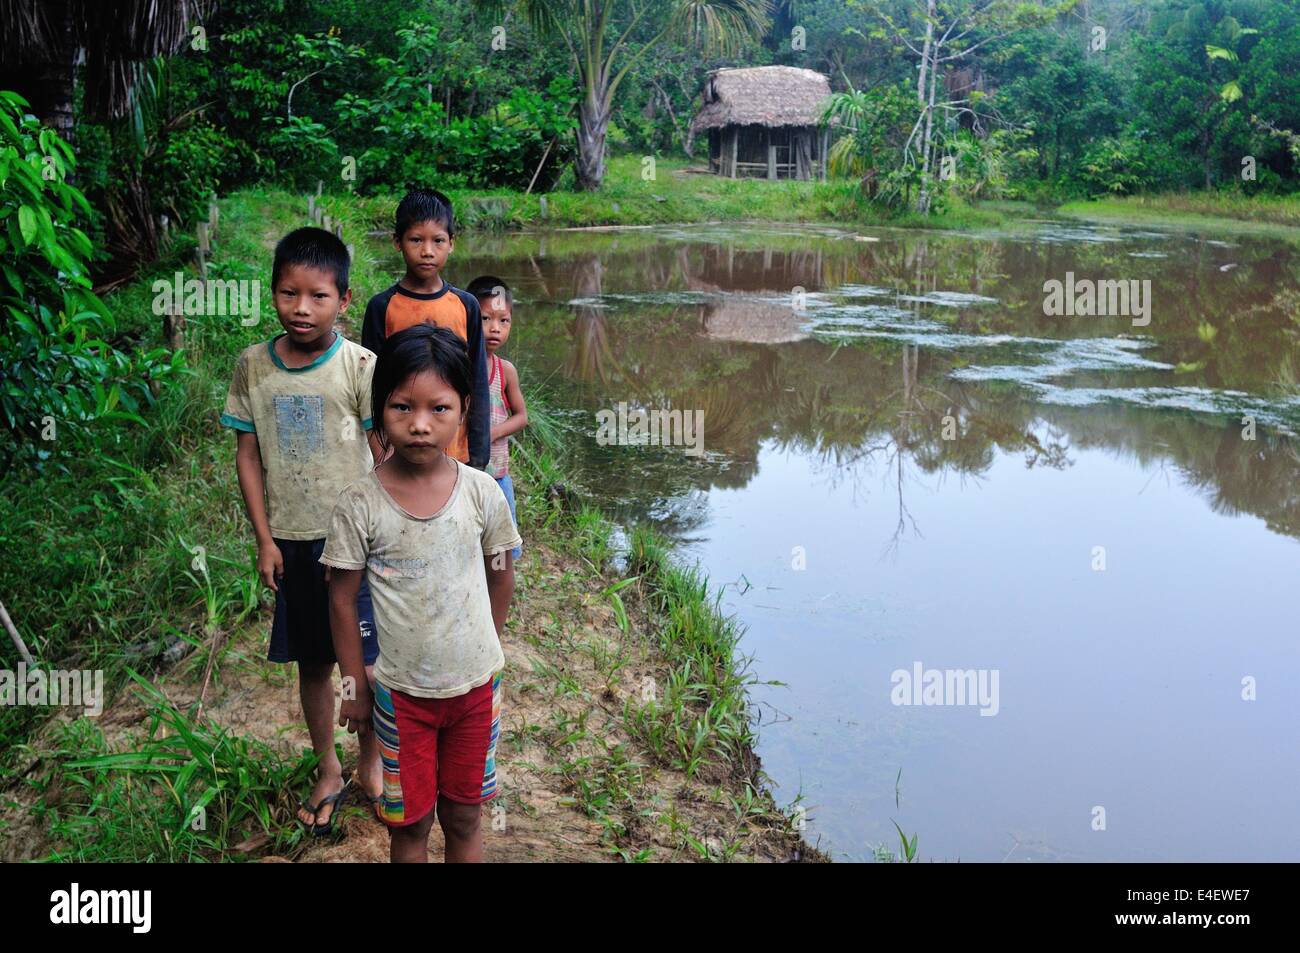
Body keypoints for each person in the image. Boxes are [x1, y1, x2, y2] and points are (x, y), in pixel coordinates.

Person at [322, 324, 520, 863]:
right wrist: (352, 685)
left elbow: (500, 572)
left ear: (464, 409)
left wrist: (484, 643)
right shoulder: (360, 503)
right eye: (402, 408)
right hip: (399, 695)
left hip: (476, 690)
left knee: (464, 816)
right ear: (378, 410)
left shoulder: (480, 493)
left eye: (439, 409)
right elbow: (341, 598)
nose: (419, 426)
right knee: (408, 825)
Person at [220, 227, 384, 834]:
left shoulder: (359, 365)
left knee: (365, 663)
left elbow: (381, 449)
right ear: (273, 295)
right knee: (312, 663)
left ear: (344, 300)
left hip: (355, 543)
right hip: (292, 538)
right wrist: (264, 539)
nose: (301, 308)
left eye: (317, 296)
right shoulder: (253, 367)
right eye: (289, 294)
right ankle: (327, 766)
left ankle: (372, 760)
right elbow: (247, 455)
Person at [361, 188, 489, 470]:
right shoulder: (382, 306)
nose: (427, 251)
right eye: (416, 240)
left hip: (454, 446)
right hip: (399, 445)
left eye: (438, 240)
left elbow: (478, 378)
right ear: (397, 242)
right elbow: (372, 384)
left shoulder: (465, 305)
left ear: (451, 243)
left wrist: (479, 454)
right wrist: (380, 451)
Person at [467, 276, 527, 561]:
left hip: (498, 476)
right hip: (463, 475)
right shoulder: (458, 364)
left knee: (502, 549)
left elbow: (522, 417)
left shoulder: (506, 371)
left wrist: (490, 434)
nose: (495, 328)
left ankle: (496, 599)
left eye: (504, 321)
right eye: (486, 318)